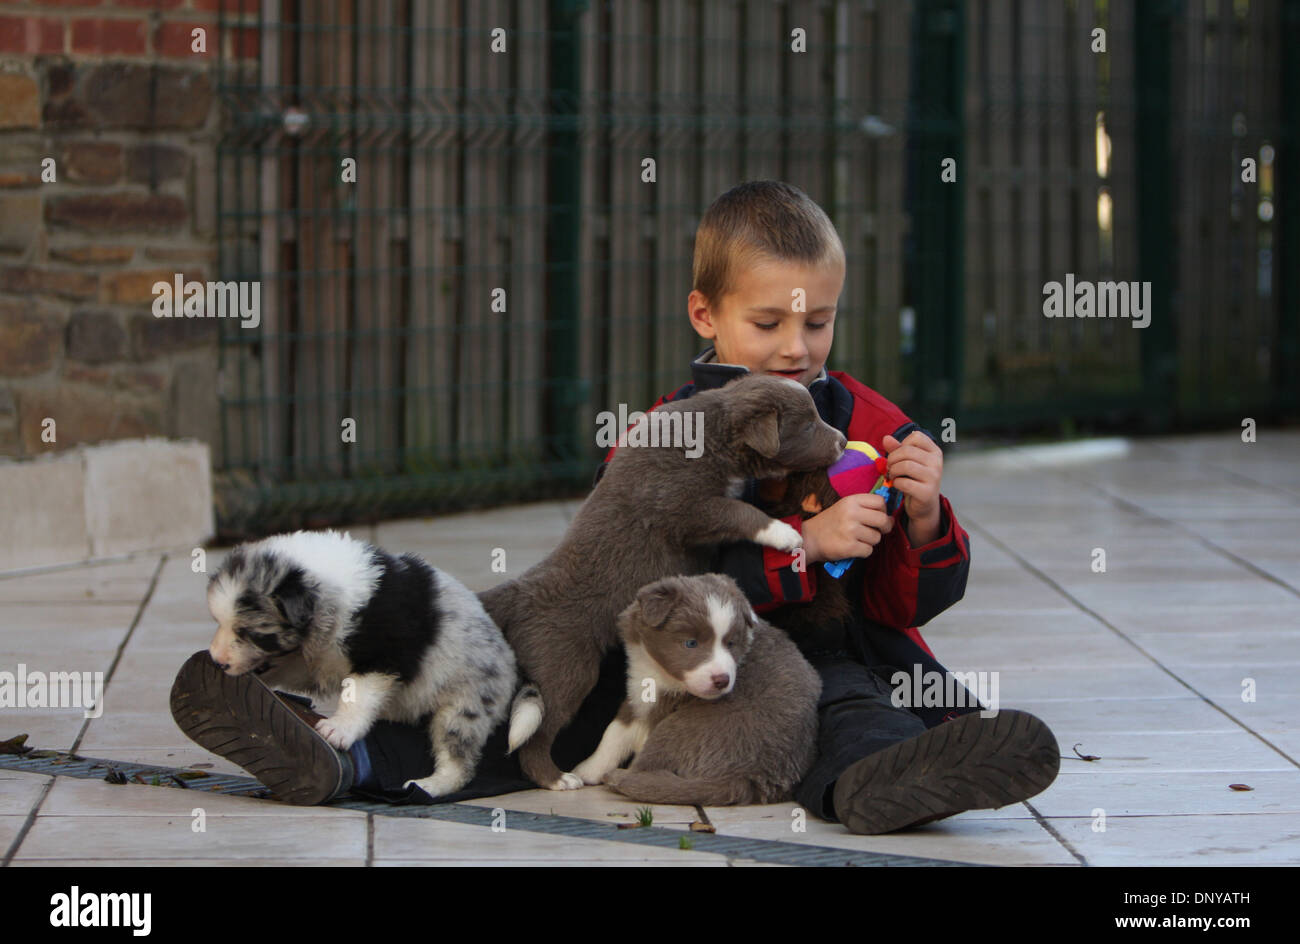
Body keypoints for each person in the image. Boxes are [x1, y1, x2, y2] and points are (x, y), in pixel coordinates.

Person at [171, 180, 1058, 833]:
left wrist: (926, 522)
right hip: (669, 648)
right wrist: (797, 547)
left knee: (841, 700)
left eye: (817, 322)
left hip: (817, 650)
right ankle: (340, 753)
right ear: (705, 315)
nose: (795, 348)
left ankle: (885, 779)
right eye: (768, 323)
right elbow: (645, 578)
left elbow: (915, 602)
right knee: (530, 687)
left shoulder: (868, 422)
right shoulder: (665, 435)